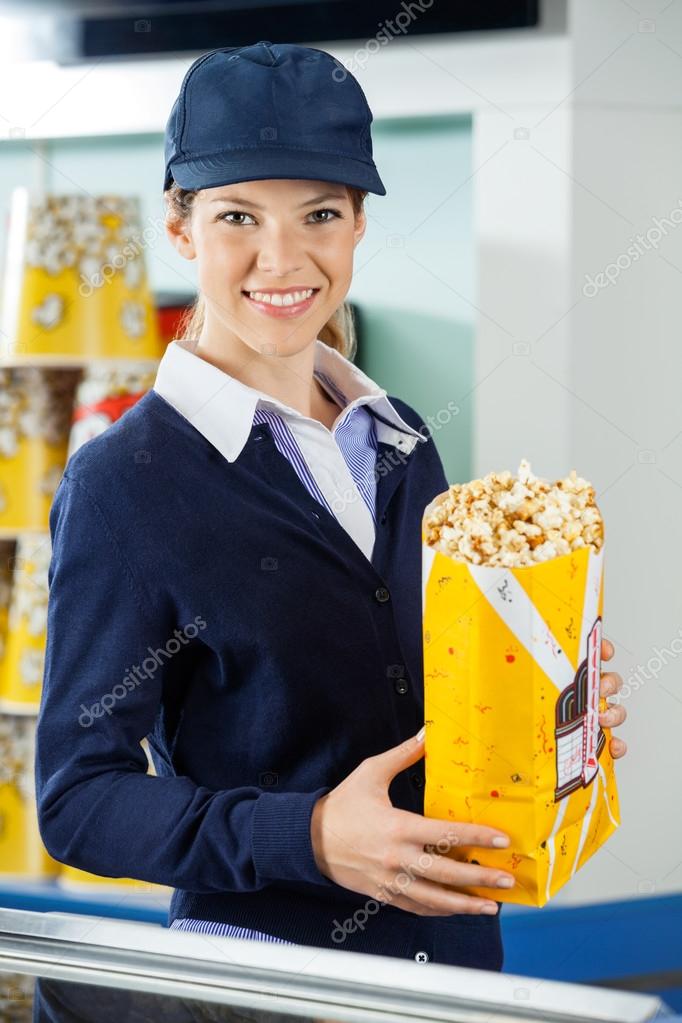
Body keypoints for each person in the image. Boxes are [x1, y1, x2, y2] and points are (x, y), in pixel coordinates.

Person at [35, 40, 627, 972]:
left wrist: (549, 706)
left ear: (356, 225)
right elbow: (78, 799)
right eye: (238, 216)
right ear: (182, 228)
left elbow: (431, 689)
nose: (284, 257)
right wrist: (306, 834)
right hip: (272, 979)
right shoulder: (124, 483)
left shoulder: (399, 440)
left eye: (319, 213)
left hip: (457, 960)